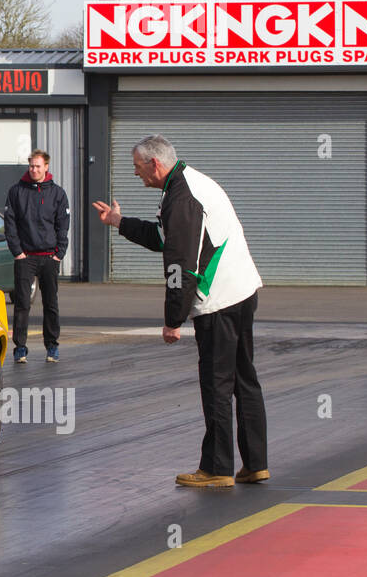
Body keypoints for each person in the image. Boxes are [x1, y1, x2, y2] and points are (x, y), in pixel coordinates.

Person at [93, 135, 268, 489]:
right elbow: (163, 237)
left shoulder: (182, 196)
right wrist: (119, 221)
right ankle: (255, 464)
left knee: (217, 383)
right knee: (244, 379)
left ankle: (217, 468)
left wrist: (174, 319)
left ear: (155, 164)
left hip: (219, 299)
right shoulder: (188, 184)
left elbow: (180, 265)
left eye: (137, 168)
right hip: (242, 289)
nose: (136, 175)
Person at [4, 150, 69, 364]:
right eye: (31, 166)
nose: (34, 170)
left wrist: (59, 254)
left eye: (38, 166)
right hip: (26, 258)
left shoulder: (57, 194)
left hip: (49, 257)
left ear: (46, 167)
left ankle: (52, 347)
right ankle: (20, 348)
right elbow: (10, 224)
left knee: (51, 303)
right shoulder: (16, 192)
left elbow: (62, 226)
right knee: (22, 303)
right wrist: (18, 252)